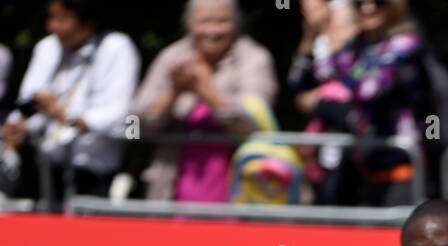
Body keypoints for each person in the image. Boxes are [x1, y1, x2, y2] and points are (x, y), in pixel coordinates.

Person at [132, 0, 278, 203]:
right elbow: (134, 126)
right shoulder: (170, 57)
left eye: (222, 21)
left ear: (236, 23)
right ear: (189, 24)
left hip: (237, 189)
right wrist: (174, 93)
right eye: (205, 21)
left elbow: (254, 123)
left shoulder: (255, 59)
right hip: (170, 188)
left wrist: (205, 90)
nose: (213, 31)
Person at [1, 0, 139, 207]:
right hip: (44, 166)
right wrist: (20, 124)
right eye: (50, 18)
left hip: (94, 171)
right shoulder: (47, 47)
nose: (52, 26)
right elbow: (28, 101)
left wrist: (63, 116)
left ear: (87, 23)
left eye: (61, 18)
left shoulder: (116, 48)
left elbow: (123, 115)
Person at [288, 0, 426, 207]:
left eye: (378, 3)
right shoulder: (355, 48)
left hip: (400, 168)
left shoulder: (405, 44)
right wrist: (312, 37)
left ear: (394, 7)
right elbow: (300, 82)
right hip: (363, 169)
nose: (367, 8)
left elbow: (370, 88)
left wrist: (325, 91)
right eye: (360, 3)